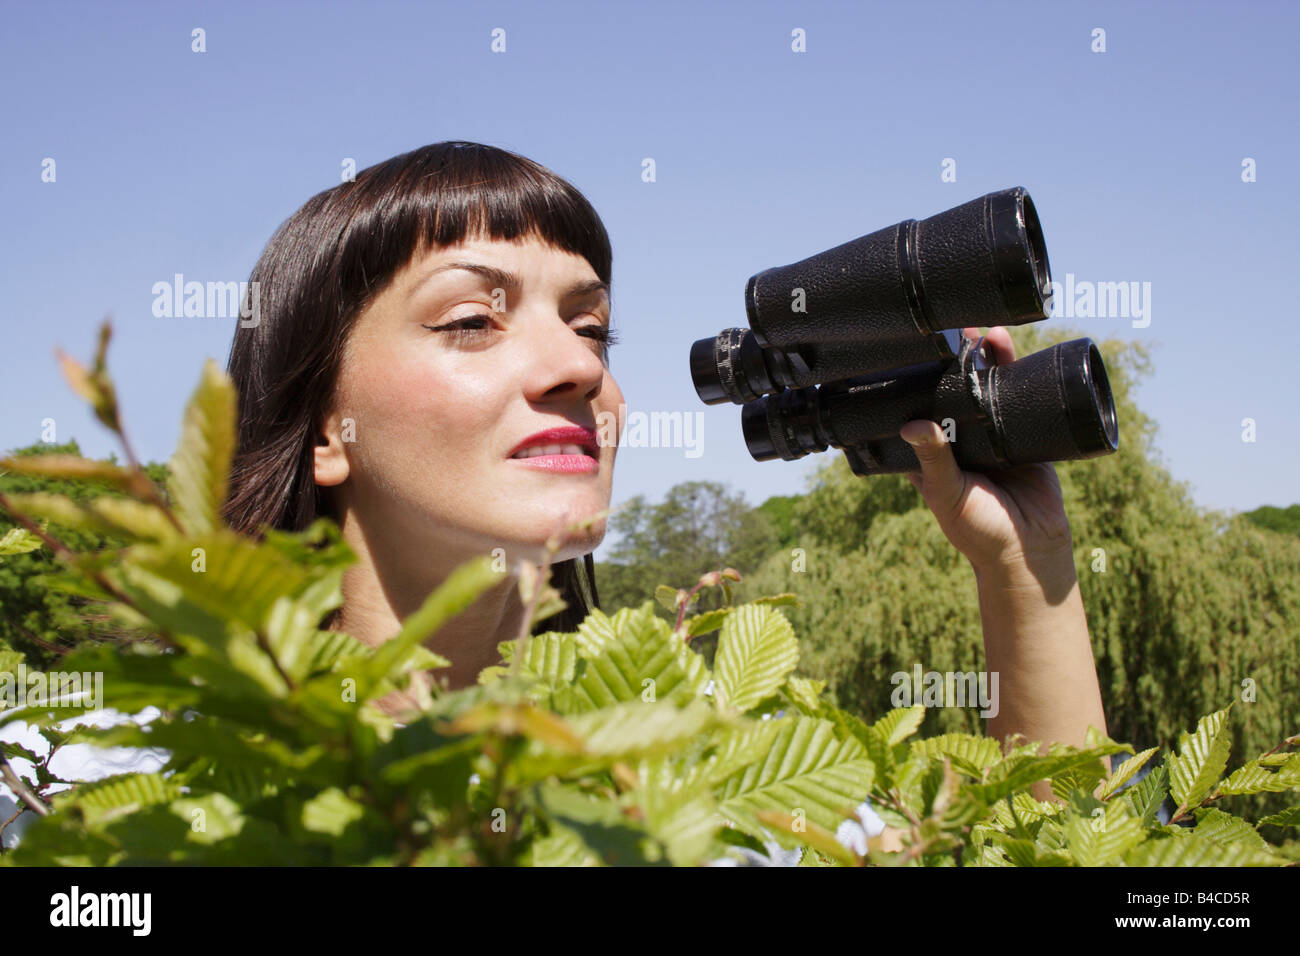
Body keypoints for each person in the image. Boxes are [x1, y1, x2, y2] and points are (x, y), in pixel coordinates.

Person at [2, 141, 1108, 862]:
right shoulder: (93, 786)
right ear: (327, 427)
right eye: (471, 320)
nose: (577, 367)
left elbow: (1056, 857)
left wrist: (1026, 570)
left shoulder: (709, 789)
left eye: (591, 328)